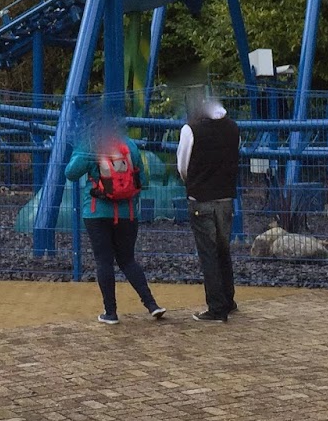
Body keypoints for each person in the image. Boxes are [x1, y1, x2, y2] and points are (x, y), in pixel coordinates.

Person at [65, 119, 167, 325]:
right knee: (128, 260)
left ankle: (110, 313)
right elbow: (142, 182)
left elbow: (71, 173)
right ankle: (152, 305)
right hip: (127, 213)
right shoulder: (130, 145)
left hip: (96, 212)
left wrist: (85, 150)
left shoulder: (91, 145)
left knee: (104, 261)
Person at [177, 94, 241, 322]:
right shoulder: (233, 128)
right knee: (224, 250)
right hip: (225, 198)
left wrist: (194, 183)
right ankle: (228, 299)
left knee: (208, 254)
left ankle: (216, 307)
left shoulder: (191, 129)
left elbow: (182, 166)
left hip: (201, 198)